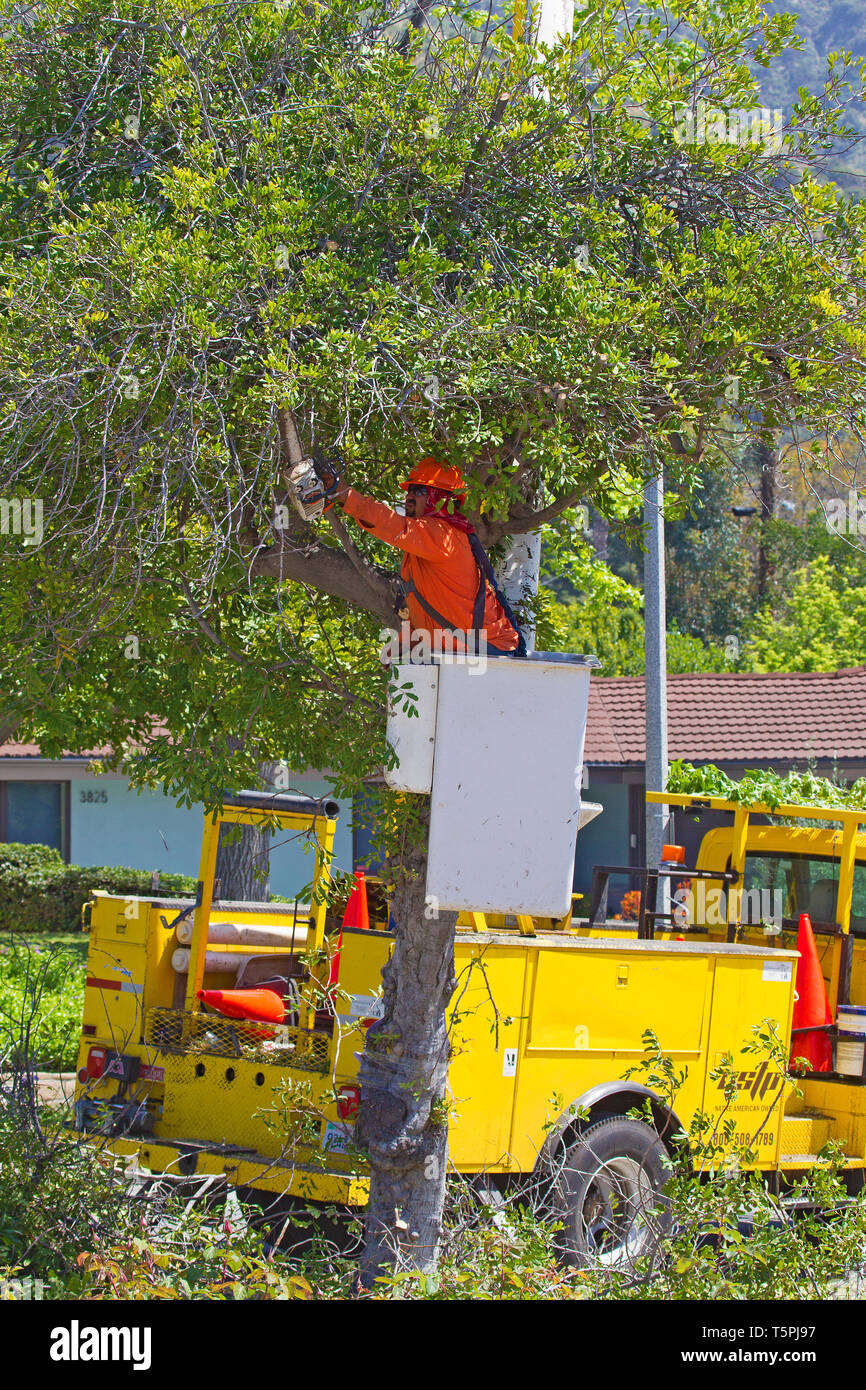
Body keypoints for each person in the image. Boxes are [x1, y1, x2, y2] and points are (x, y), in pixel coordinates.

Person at [325, 457, 525, 657]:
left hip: (487, 652)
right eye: (409, 490)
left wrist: (346, 496)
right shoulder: (423, 545)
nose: (409, 497)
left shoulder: (442, 535)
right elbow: (419, 606)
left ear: (441, 499)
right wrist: (404, 645)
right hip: (467, 651)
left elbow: (392, 525)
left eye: (420, 491)